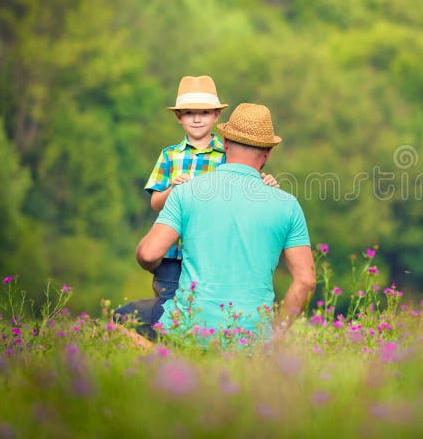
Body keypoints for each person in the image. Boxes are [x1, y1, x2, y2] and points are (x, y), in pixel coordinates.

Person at [117, 103, 315, 342]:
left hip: (188, 327)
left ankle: (167, 365)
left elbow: (148, 254)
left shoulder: (185, 192)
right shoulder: (288, 205)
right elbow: (305, 281)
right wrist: (271, 338)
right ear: (268, 153)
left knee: (123, 318)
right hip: (251, 338)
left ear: (226, 143)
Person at [143, 75, 276, 304]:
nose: (196, 119)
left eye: (204, 113)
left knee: (206, 310)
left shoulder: (227, 156)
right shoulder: (170, 155)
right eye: (189, 113)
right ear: (179, 117)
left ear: (216, 116)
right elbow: (156, 202)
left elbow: (243, 191)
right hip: (174, 256)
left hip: (212, 255)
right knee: (168, 311)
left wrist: (265, 183)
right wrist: (173, 189)